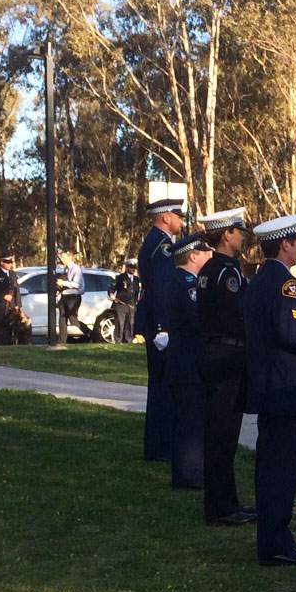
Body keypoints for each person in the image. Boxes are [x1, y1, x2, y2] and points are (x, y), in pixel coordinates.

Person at [243, 214, 296, 564]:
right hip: (284, 386)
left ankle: (277, 536)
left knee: (272, 465)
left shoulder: (262, 279)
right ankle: (275, 544)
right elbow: (292, 334)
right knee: (281, 469)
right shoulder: (285, 284)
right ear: (285, 244)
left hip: (269, 385)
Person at [195, 208, 254, 525]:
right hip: (227, 359)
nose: (242, 235)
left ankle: (225, 502)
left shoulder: (211, 269)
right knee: (222, 437)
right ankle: (222, 508)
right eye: (239, 230)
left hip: (214, 356)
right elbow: (236, 319)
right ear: (227, 234)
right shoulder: (226, 273)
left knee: (221, 437)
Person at [160, 233, 212, 491]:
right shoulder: (189, 284)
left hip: (181, 358)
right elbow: (198, 320)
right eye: (205, 252)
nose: (209, 256)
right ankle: (190, 474)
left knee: (187, 418)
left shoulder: (176, 280)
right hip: (188, 360)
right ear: (193, 255)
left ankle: (185, 472)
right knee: (191, 419)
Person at [136, 196, 185, 462]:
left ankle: (157, 446)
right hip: (160, 325)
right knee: (164, 388)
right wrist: (163, 327)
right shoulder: (164, 247)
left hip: (154, 321)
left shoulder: (153, 242)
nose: (180, 220)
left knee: (159, 386)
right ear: (166, 217)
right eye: (177, 215)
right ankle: (162, 446)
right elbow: (163, 290)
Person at [55, 251, 86, 341]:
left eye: (64, 257)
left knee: (72, 319)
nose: (62, 259)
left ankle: (88, 333)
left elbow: (77, 285)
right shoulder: (66, 269)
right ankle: (62, 340)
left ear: (69, 258)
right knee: (62, 317)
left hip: (73, 297)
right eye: (61, 257)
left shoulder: (76, 269)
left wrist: (63, 283)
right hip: (64, 296)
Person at [0, 254, 20, 345]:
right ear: (1, 262)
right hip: (0, 305)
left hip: (11, 306)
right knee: (0, 327)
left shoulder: (13, 274)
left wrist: (17, 304)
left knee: (11, 327)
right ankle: (0, 345)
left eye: (11, 262)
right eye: (7, 262)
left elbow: (16, 290)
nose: (9, 264)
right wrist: (3, 296)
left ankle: (9, 344)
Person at [110, 259, 140, 343]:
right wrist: (111, 294)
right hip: (121, 305)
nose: (133, 269)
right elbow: (112, 288)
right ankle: (118, 340)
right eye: (131, 267)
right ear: (127, 268)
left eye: (134, 268)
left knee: (130, 323)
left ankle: (128, 340)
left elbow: (136, 292)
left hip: (131, 305)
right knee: (120, 323)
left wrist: (136, 302)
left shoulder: (136, 279)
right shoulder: (120, 277)